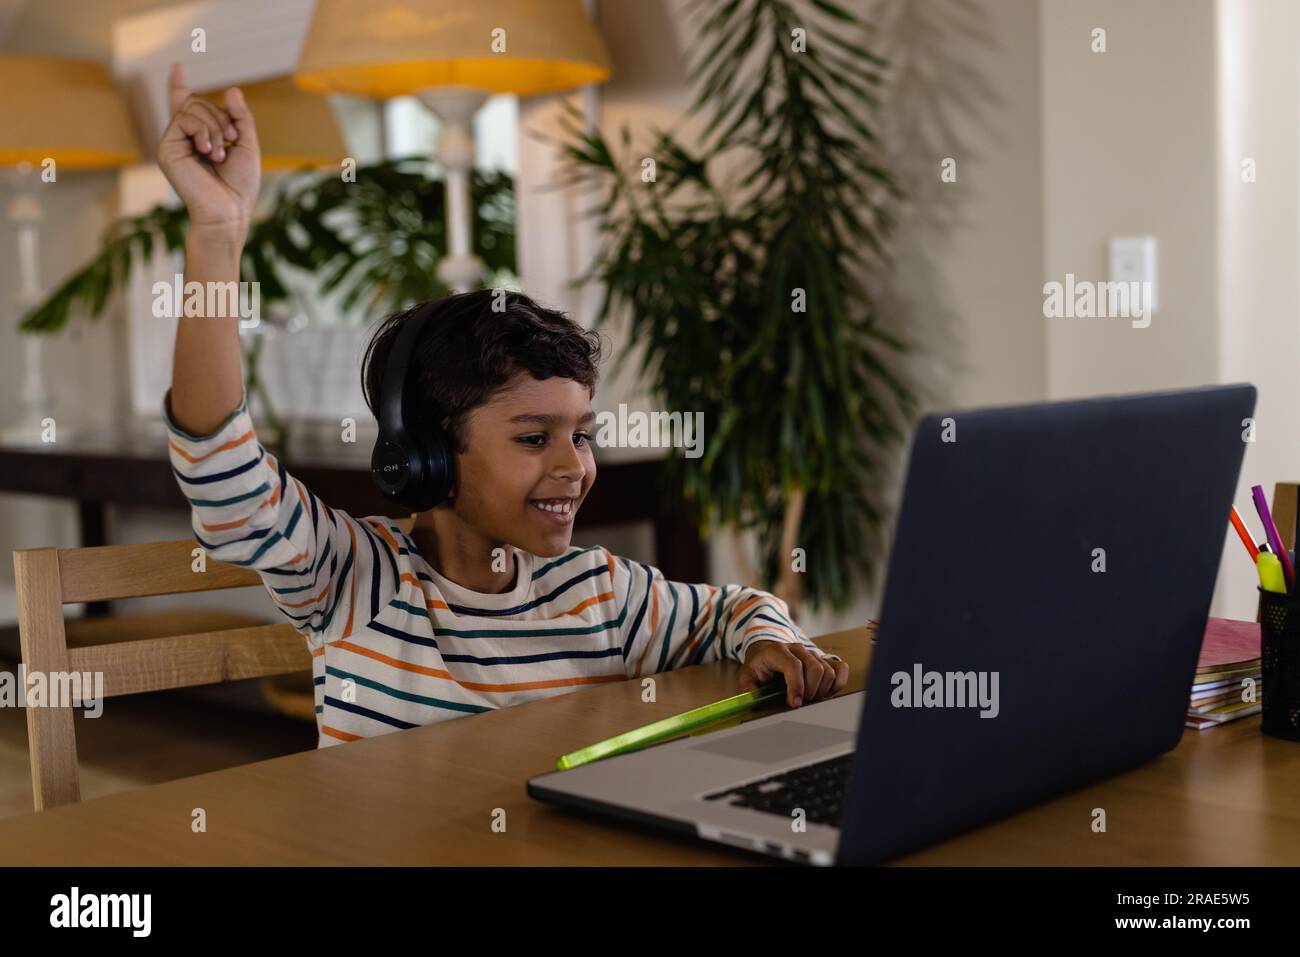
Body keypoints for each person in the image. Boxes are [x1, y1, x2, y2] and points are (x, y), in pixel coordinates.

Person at [156, 62, 848, 747]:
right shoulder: (352, 577)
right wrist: (217, 232)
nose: (573, 466)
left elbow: (736, 607)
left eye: (582, 434)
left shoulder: (597, 592)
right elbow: (224, 475)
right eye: (532, 438)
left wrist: (769, 637)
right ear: (424, 455)